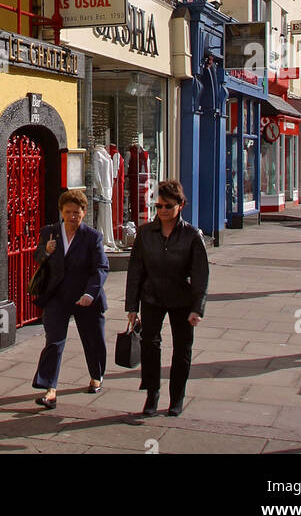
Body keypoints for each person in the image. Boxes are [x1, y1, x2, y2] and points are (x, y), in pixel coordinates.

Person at [124, 179, 209, 418]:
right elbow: (136, 270)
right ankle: (152, 394)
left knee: (182, 349)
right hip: (151, 297)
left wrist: (197, 308)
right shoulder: (145, 234)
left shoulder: (191, 235)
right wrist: (132, 306)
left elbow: (201, 275)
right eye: (158, 206)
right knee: (150, 346)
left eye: (167, 206)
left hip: (182, 299)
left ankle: (177, 397)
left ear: (180, 206)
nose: (162, 211)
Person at [32, 189, 109, 408]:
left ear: (84, 213)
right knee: (54, 341)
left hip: (85, 296)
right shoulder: (50, 232)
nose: (72, 216)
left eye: (77, 212)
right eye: (68, 212)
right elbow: (38, 257)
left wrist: (89, 293)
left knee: (93, 339)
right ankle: (50, 389)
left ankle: (96, 375)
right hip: (57, 296)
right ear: (61, 212)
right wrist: (45, 251)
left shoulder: (92, 237)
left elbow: (101, 267)